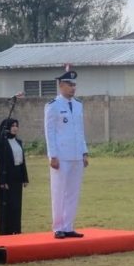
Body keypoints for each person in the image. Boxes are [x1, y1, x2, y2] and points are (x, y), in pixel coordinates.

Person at [45, 70, 89, 239]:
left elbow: (80, 130)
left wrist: (84, 152)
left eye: (74, 85)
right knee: (58, 191)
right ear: (61, 85)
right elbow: (49, 132)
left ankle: (69, 226)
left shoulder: (78, 105)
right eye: (70, 85)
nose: (73, 88)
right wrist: (52, 155)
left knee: (73, 192)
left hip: (76, 153)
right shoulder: (53, 105)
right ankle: (58, 227)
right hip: (61, 155)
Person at [0, 118, 29, 235]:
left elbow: (22, 161)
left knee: (16, 205)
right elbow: (1, 162)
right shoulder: (2, 143)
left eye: (16, 125)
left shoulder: (19, 142)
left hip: (18, 176)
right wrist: (3, 180)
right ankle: (5, 231)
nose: (15, 128)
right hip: (7, 177)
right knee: (7, 205)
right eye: (12, 125)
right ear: (7, 127)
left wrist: (25, 178)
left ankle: (16, 230)